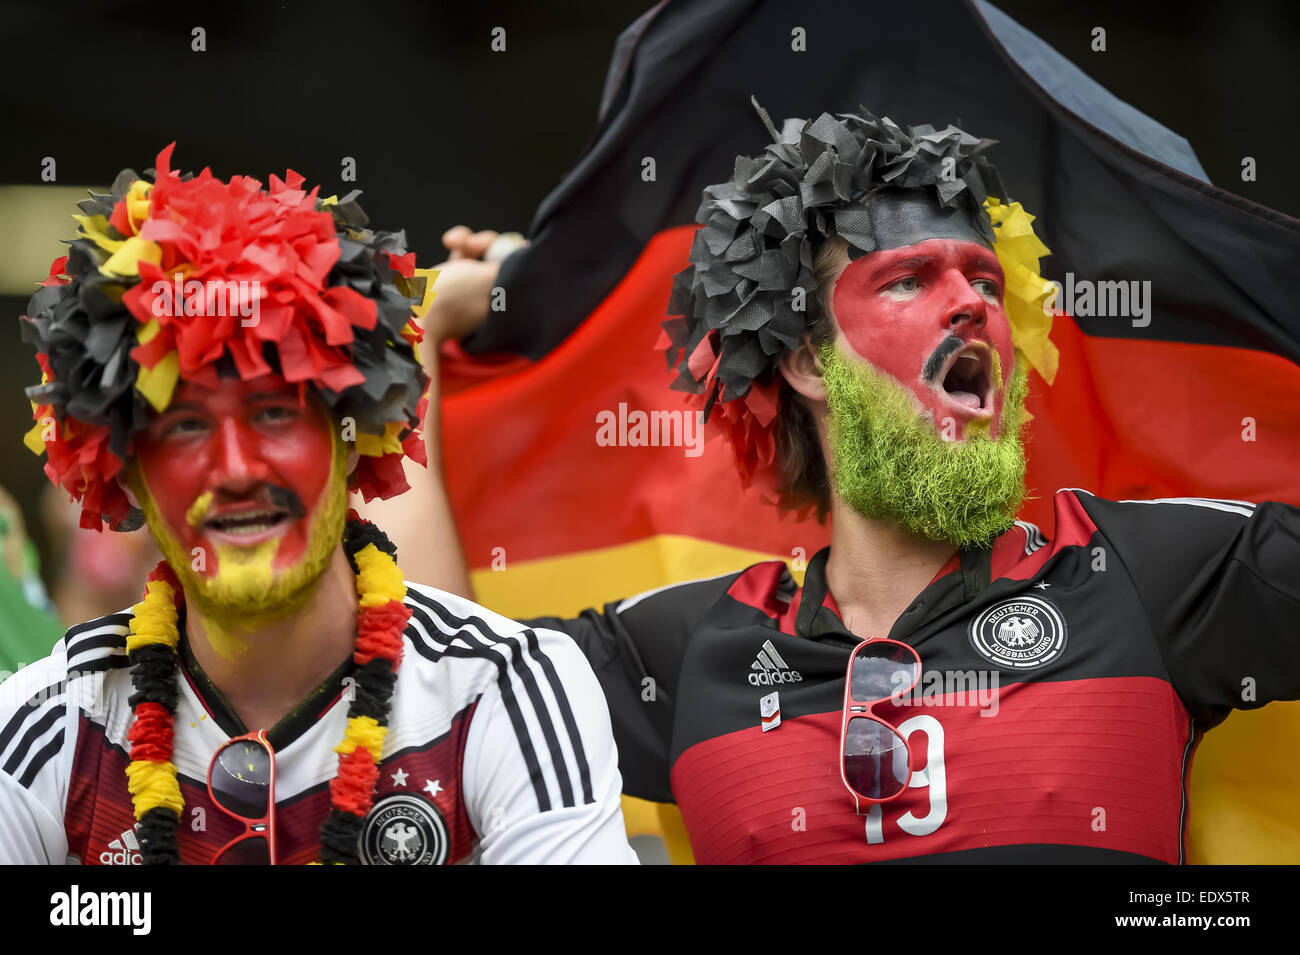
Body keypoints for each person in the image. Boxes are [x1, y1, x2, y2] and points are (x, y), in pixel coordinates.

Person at [397, 106, 1300, 863]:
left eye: (985, 279)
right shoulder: (692, 650)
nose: (973, 302)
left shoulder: (1146, 573)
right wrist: (421, 346)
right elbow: (430, 672)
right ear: (805, 362)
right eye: (908, 279)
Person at [0, 146, 636, 865]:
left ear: (355, 437)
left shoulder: (507, 689)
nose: (236, 469)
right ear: (128, 471)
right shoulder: (48, 721)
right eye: (184, 425)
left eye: (275, 413)